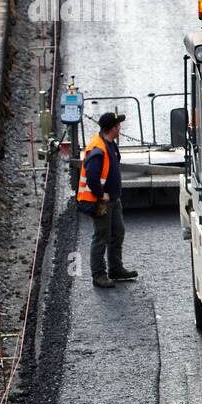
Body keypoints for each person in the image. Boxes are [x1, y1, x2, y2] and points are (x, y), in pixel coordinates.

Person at [77, 113, 137, 290]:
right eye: (118, 125)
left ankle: (116, 269)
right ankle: (99, 275)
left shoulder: (109, 144)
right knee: (101, 237)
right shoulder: (98, 150)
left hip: (113, 199)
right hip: (101, 202)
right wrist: (100, 195)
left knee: (118, 232)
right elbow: (92, 177)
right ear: (113, 128)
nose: (120, 127)